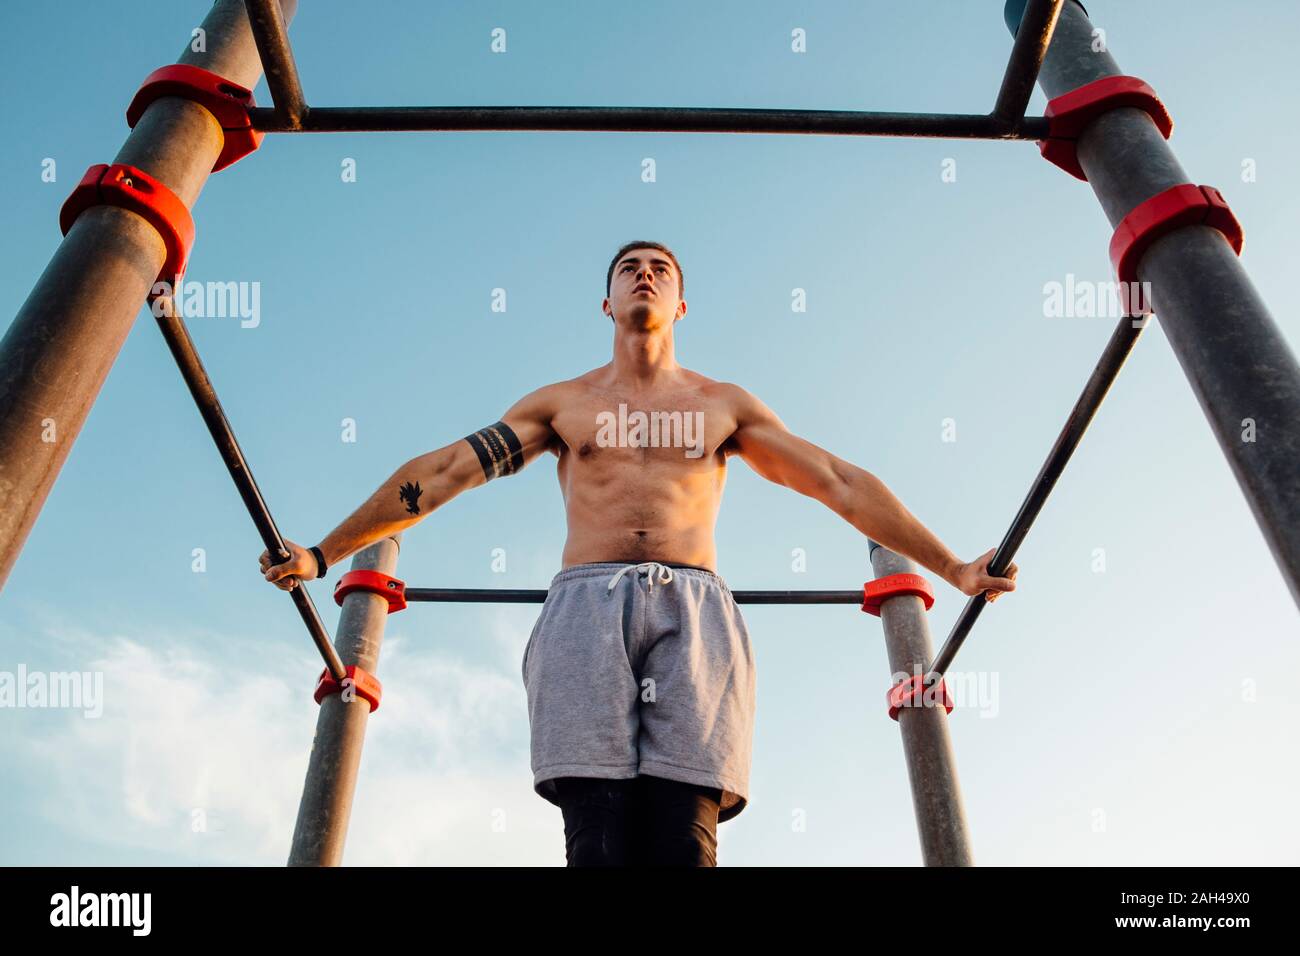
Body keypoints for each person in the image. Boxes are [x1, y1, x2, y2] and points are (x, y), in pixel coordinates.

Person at [260, 240, 1018, 866]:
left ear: (681, 305)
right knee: (596, 841)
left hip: (694, 610)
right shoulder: (564, 404)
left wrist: (951, 566)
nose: (645, 275)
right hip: (586, 605)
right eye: (629, 269)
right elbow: (446, 472)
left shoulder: (722, 405)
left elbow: (836, 481)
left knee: (686, 839)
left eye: (661, 269)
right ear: (608, 303)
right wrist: (326, 553)